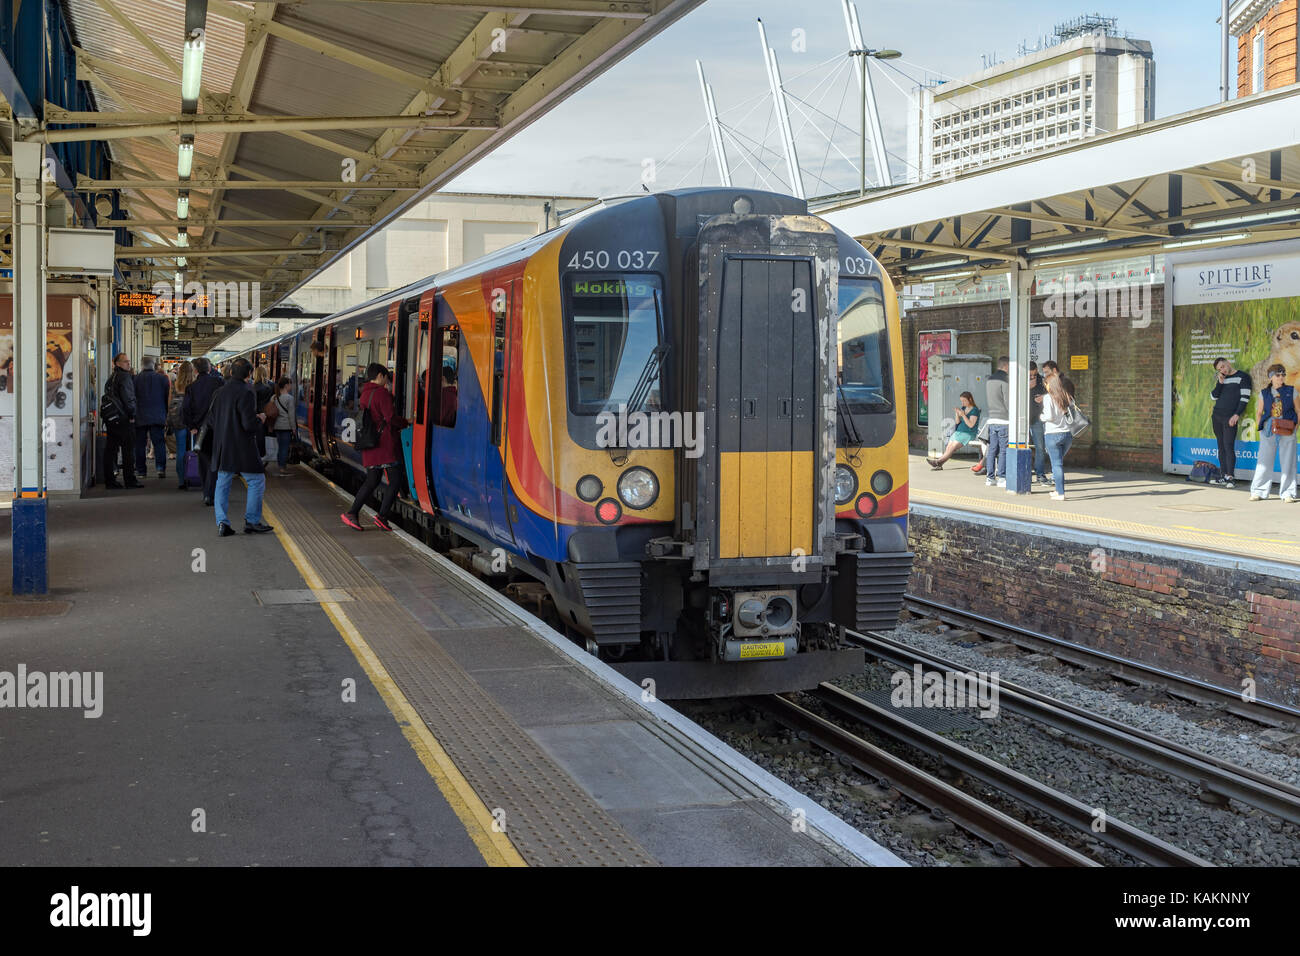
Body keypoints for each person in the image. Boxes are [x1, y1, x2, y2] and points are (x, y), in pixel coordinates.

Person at [208, 357, 274, 536]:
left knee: (222, 482)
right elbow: (248, 424)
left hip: (223, 445)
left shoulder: (219, 392)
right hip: (243, 445)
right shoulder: (247, 391)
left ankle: (222, 523)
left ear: (230, 373)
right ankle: (252, 521)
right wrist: (259, 419)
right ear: (249, 374)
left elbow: (212, 420)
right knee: (256, 481)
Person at [341, 363, 407, 531]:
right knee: (395, 481)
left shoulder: (365, 395)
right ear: (379, 375)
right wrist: (406, 422)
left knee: (372, 480)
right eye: (385, 377)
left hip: (370, 444)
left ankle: (352, 513)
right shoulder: (382, 394)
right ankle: (382, 516)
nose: (386, 380)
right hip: (384, 446)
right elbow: (390, 418)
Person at [1250, 364, 1297, 502]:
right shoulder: (1264, 393)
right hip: (1268, 430)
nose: (1281, 377)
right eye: (1278, 375)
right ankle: (1258, 491)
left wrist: (1295, 428)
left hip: (1287, 429)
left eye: (1283, 374)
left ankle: (1288, 493)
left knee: (1288, 462)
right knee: (1263, 462)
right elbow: (1259, 412)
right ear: (1271, 377)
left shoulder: (1292, 391)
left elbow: (1298, 410)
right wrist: (1262, 429)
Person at [183, 356, 224, 505]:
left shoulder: (191, 388)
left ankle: (206, 493)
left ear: (195, 370)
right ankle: (212, 493)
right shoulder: (219, 383)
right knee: (216, 461)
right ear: (209, 368)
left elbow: (186, 409)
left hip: (200, 430)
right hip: (218, 428)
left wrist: (192, 426)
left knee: (203, 461)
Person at [1210, 356, 1252, 487]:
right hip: (1217, 416)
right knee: (1220, 446)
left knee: (1228, 446)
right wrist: (1220, 383)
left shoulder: (1243, 376)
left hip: (1230, 417)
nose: (1223, 370)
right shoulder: (1222, 379)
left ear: (1228, 362)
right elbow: (1213, 396)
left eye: (1223, 366)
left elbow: (1245, 398)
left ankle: (1230, 477)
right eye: (1219, 369)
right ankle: (1223, 476)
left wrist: (1236, 415)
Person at [103, 352, 141, 489]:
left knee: (111, 450)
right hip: (124, 419)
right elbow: (129, 398)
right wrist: (132, 415)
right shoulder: (125, 377)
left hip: (112, 419)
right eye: (125, 361)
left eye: (128, 361)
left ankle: (110, 480)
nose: (128, 364)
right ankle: (130, 480)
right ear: (117, 363)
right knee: (128, 451)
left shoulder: (111, 378)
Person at [133, 355, 171, 479]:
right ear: (154, 365)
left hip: (140, 416)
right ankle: (160, 468)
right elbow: (167, 398)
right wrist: (166, 413)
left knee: (139, 444)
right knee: (159, 443)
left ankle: (141, 471)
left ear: (141, 365)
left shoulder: (135, 379)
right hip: (158, 415)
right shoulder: (163, 379)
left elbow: (132, 398)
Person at [1040, 372, 1074, 501]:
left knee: (1057, 464)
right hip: (1067, 435)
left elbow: (1049, 417)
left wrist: (1041, 417)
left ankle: (1060, 493)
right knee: (1058, 463)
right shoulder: (1067, 396)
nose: (1046, 386)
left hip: (1052, 435)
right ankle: (1057, 491)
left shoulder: (1048, 398)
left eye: (1046, 384)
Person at [926, 392, 981, 468]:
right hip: (958, 432)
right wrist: (957, 414)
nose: (962, 403)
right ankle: (939, 464)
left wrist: (963, 415)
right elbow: (957, 422)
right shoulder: (963, 408)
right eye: (961, 401)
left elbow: (971, 425)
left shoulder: (975, 410)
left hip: (968, 433)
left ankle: (938, 462)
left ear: (970, 399)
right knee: (949, 447)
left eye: (964, 401)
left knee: (953, 446)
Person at [983, 355, 1010, 488]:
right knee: (1003, 450)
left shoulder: (989, 379)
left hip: (992, 419)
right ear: (1006, 366)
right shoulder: (1005, 380)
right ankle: (1002, 477)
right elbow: (1007, 401)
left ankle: (990, 477)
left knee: (992, 449)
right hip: (1004, 420)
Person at [169, 361, 195, 490]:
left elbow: (169, 402)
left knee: (180, 450)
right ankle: (193, 474)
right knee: (194, 449)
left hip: (178, 419)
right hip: (192, 421)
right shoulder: (195, 385)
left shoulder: (175, 384)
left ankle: (181, 480)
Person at [1028, 362, 1049, 484]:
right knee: (1023, 447)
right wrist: (1028, 388)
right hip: (1024, 418)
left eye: (1034, 374)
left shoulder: (1042, 381)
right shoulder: (1021, 380)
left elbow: (1049, 394)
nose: (1032, 377)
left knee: (1040, 447)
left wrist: (1043, 397)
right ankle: (1026, 473)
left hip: (1037, 418)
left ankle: (1040, 474)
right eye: (1030, 375)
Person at [272, 376, 296, 478]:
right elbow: (291, 415)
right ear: (286, 385)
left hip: (276, 426)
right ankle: (282, 468)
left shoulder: (274, 397)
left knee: (280, 446)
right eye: (290, 384)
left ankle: (280, 465)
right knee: (284, 447)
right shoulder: (289, 398)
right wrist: (294, 428)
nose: (291, 386)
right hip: (286, 426)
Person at [252, 364, 273, 462]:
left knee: (258, 436)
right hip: (269, 413)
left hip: (258, 415)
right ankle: (266, 456)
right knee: (268, 436)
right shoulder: (271, 385)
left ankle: (259, 456)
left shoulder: (253, 387)